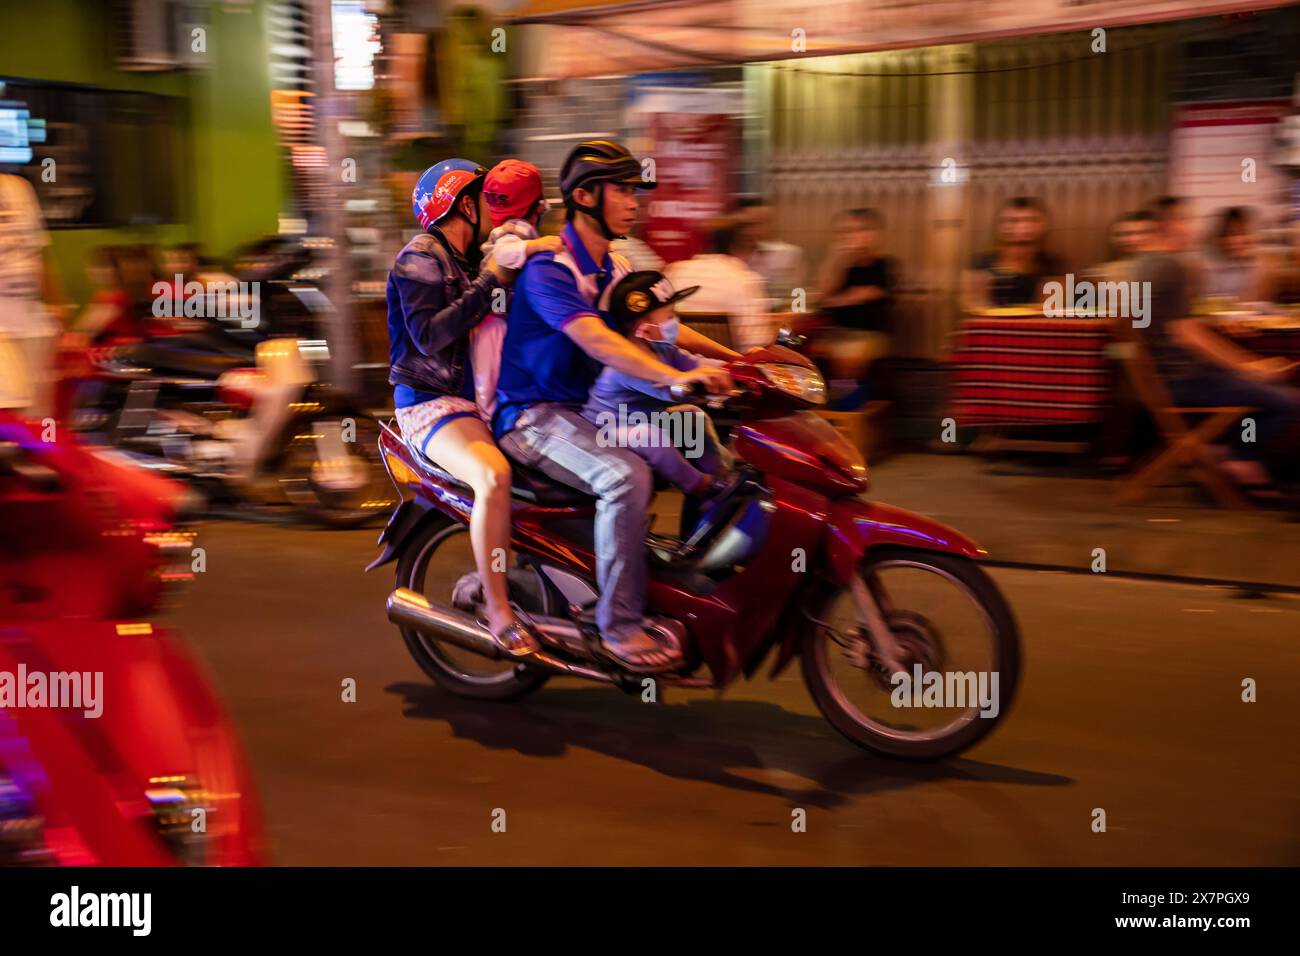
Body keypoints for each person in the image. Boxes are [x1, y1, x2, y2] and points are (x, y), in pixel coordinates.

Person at [494, 140, 734, 673]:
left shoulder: (616, 264)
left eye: (633, 191)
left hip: (588, 411)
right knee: (626, 476)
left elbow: (663, 325)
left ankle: (689, 575)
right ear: (584, 196)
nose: (634, 202)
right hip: (534, 416)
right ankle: (618, 628)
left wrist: (736, 361)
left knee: (696, 433)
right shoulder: (551, 270)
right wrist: (673, 377)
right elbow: (599, 342)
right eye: (622, 190)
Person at [387, 158, 551, 656]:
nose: (495, 211)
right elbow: (431, 335)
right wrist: (493, 279)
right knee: (493, 477)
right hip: (430, 405)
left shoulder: (470, 259)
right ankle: (500, 615)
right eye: (486, 199)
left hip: (476, 403)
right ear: (464, 204)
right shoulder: (420, 258)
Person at [1136, 196, 1300, 497]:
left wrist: (1245, 368)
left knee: (1258, 392)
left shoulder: (1140, 266)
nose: (1193, 229)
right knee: (1288, 400)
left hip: (1161, 378)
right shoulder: (1172, 266)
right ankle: (1238, 455)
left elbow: (1179, 328)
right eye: (1187, 221)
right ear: (1170, 224)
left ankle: (1222, 453)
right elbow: (1187, 334)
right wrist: (1250, 366)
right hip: (1181, 380)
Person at [582, 270, 737, 503]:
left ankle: (719, 474)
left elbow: (696, 364)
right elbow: (669, 389)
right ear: (642, 325)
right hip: (605, 428)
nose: (676, 322)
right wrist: (702, 380)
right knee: (648, 435)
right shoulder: (627, 363)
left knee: (692, 417)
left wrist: (735, 369)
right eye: (669, 315)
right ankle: (698, 485)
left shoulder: (662, 350)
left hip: (642, 418)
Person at [475, 158, 559, 419]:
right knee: (487, 389)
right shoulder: (513, 233)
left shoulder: (505, 229)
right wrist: (537, 245)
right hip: (495, 321)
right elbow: (504, 253)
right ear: (537, 205)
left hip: (498, 321)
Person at [663, 217, 772, 351]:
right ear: (734, 245)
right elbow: (755, 341)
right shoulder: (743, 278)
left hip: (679, 362)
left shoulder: (675, 272)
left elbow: (662, 328)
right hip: (729, 365)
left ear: (701, 244)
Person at [962, 196, 1064, 311]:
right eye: (1013, 220)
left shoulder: (1054, 266)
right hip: (990, 326)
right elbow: (973, 305)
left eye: (1031, 220)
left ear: (1043, 225)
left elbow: (1053, 308)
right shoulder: (980, 264)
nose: (1022, 228)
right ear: (999, 226)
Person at [817, 207, 897, 333]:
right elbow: (822, 294)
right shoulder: (839, 264)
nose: (855, 236)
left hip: (867, 336)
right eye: (847, 231)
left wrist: (831, 301)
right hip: (831, 333)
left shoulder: (885, 265)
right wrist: (839, 260)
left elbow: (861, 296)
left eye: (863, 229)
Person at [733, 196, 805, 312]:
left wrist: (797, 315)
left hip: (777, 318)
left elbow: (798, 293)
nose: (749, 232)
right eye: (745, 225)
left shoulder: (787, 255)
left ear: (770, 225)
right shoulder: (725, 257)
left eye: (758, 224)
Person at [1200, 206, 1267, 305]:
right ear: (1221, 238)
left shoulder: (1258, 265)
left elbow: (1256, 301)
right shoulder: (1209, 267)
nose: (1238, 240)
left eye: (1243, 233)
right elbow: (1207, 302)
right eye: (1232, 234)